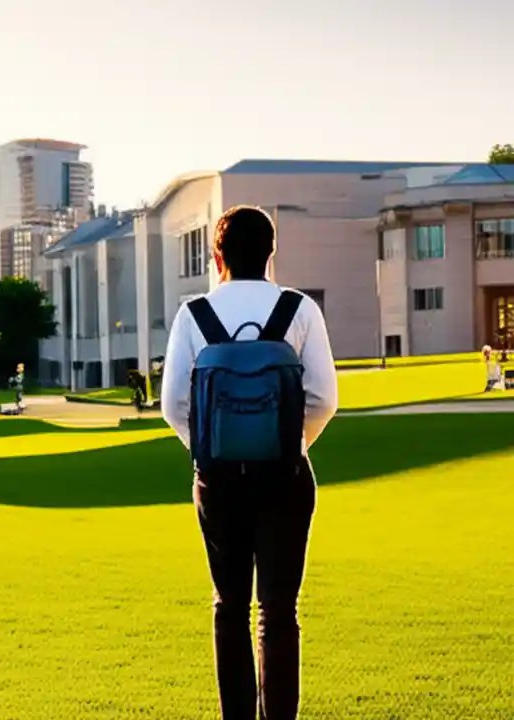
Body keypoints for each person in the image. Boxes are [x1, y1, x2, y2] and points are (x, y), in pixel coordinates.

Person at [160, 205, 338, 720]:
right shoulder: (299, 310)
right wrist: (287, 444)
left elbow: (173, 403)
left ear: (217, 256)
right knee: (279, 612)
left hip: (218, 481)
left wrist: (214, 448)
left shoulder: (194, 315)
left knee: (230, 607)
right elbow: (324, 398)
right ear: (270, 254)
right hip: (285, 477)